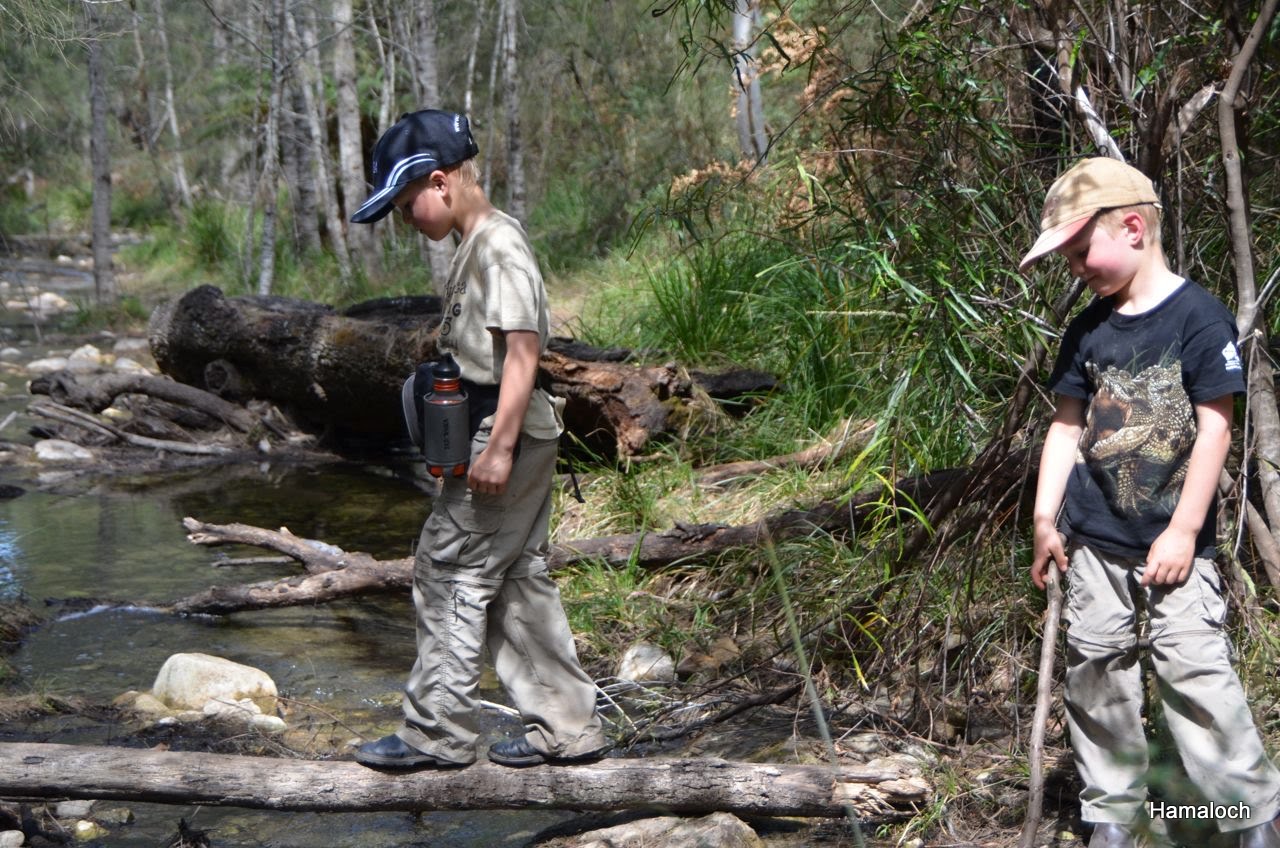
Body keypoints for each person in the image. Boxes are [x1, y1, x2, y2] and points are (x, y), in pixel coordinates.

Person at [1023, 157, 1280, 848]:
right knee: (1097, 670)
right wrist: (1046, 519)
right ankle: (1113, 813)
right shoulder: (1089, 332)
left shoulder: (1198, 318)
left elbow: (1216, 427)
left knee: (1195, 671)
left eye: (1082, 250)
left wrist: (1184, 531)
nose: (1076, 266)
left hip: (1177, 544)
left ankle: (1249, 815)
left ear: (1133, 228)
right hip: (1096, 537)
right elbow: (1067, 426)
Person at [348, 108, 609, 769]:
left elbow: (522, 353)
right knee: (518, 579)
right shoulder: (478, 244)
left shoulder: (497, 247)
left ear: (441, 182)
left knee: (446, 570)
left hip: (504, 437)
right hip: (505, 434)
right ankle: (569, 727)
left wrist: (495, 447)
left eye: (408, 206)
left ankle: (436, 735)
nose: (409, 222)